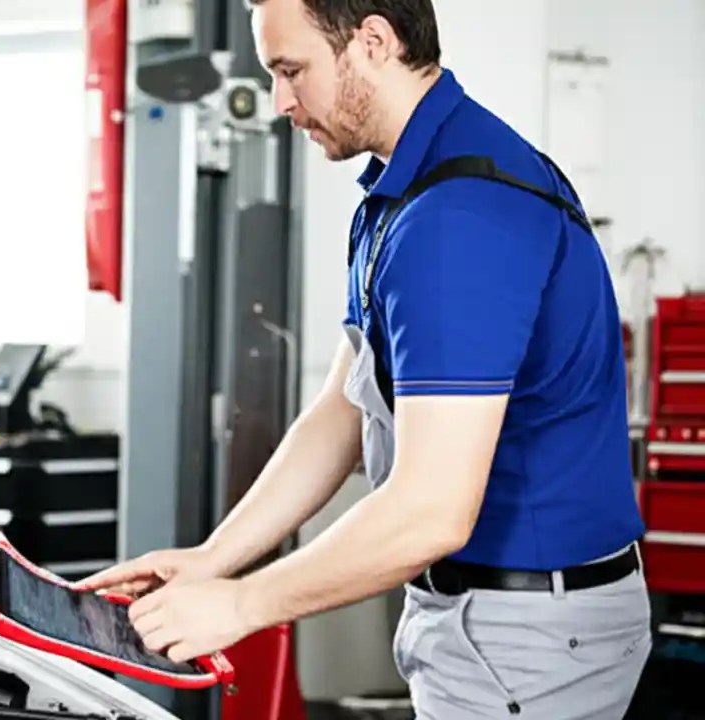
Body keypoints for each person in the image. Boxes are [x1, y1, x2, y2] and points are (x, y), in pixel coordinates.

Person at [77, 0, 651, 717]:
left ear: (374, 41)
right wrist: (213, 559)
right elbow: (342, 410)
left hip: (528, 634)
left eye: (292, 70)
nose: (280, 102)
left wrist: (242, 604)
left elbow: (431, 511)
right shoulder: (401, 193)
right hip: (482, 613)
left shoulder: (460, 215)